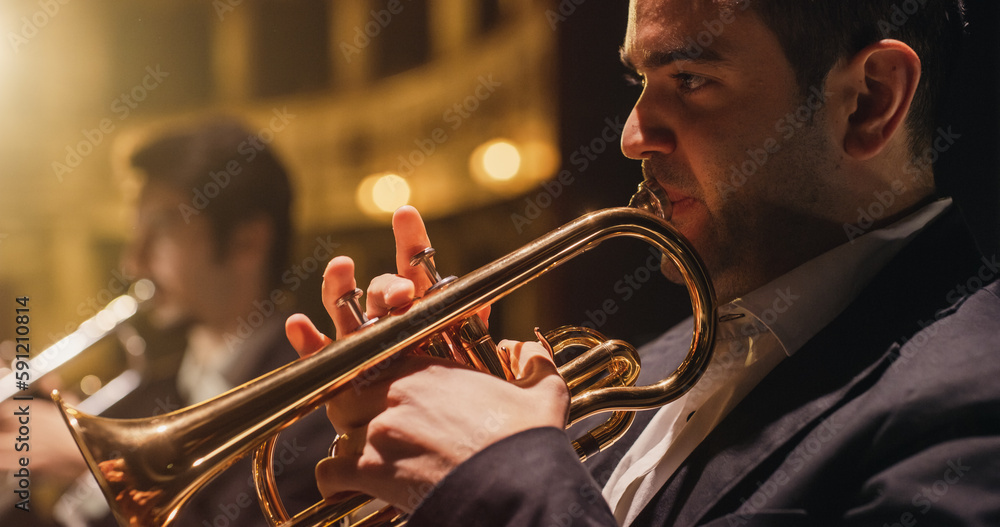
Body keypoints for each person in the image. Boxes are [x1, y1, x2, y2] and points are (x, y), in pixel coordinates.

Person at [286, 0, 1000, 525]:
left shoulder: (973, 408)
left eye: (689, 78)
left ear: (870, 101)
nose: (632, 136)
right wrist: (423, 455)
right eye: (640, 82)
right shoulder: (650, 371)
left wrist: (497, 477)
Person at [0, 118, 332, 526]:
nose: (132, 262)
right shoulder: (142, 400)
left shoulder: (322, 413)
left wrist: (99, 471)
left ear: (247, 241)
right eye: (134, 232)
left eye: (159, 228)